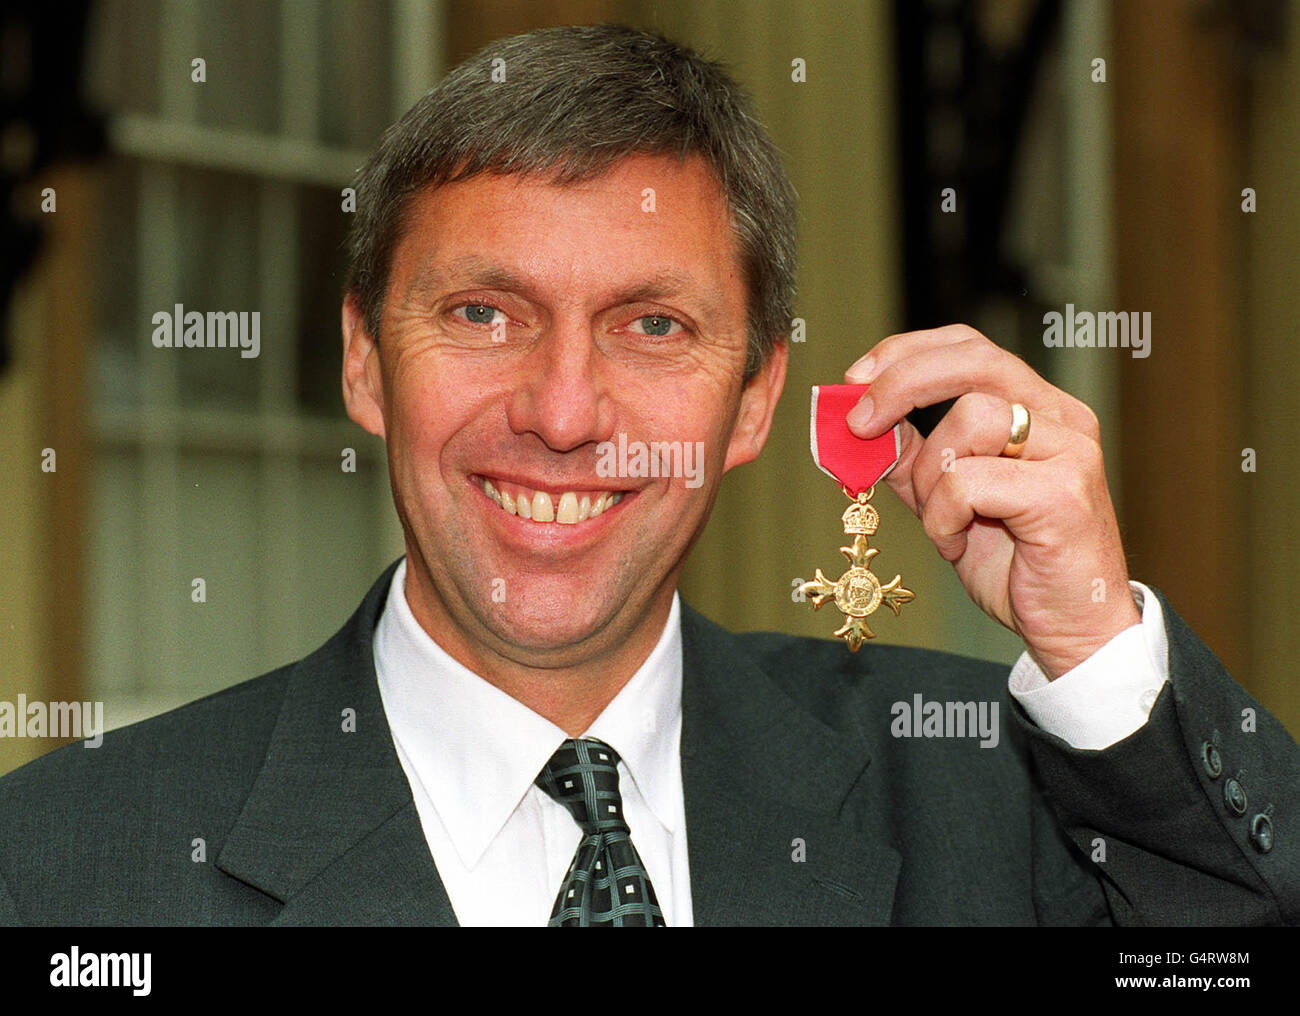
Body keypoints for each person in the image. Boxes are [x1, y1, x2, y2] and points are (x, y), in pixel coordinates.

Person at [0, 24, 1294, 927]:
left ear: (755, 401)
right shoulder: (61, 867)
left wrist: (1095, 649)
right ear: (363, 363)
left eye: (652, 326)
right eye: (484, 314)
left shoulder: (986, 798)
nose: (565, 415)